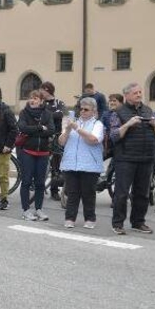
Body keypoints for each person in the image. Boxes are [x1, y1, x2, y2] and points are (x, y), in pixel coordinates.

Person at [108, 82, 155, 235]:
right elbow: (114, 136)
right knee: (122, 193)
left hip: (146, 157)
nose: (139, 94)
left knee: (142, 193)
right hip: (125, 158)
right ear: (127, 95)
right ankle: (118, 223)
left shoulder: (148, 110)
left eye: (140, 92)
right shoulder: (118, 112)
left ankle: (138, 222)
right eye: (135, 92)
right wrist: (128, 124)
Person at [58, 97, 105, 229]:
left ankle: (90, 218)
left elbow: (93, 139)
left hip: (89, 165)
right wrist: (67, 129)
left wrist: (77, 129)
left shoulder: (97, 124)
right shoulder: (72, 122)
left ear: (93, 111)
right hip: (71, 163)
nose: (82, 111)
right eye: (81, 109)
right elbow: (61, 142)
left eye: (86, 109)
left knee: (88, 193)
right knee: (72, 193)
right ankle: (69, 218)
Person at [16, 89, 55, 221]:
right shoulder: (24, 113)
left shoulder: (47, 114)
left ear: (41, 101)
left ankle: (39, 209)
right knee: (26, 181)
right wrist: (39, 128)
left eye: (36, 98)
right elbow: (22, 127)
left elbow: (51, 130)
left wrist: (34, 130)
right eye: (31, 98)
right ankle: (26, 210)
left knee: (40, 183)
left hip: (43, 153)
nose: (32, 100)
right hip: (27, 152)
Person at [40, 81, 67, 201]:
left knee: (56, 165)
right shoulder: (41, 102)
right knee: (41, 164)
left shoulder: (58, 102)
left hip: (56, 136)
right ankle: (39, 188)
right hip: (43, 136)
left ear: (47, 90)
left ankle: (54, 190)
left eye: (42, 90)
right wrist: (50, 114)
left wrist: (47, 115)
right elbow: (38, 115)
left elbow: (60, 114)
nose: (41, 92)